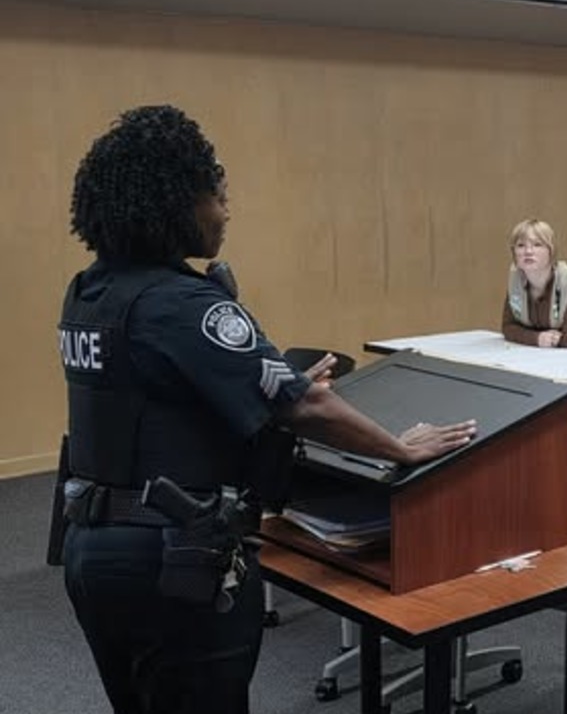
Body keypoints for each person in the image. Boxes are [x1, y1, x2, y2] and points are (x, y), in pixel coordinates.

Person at [58, 105, 476, 714]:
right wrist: (400, 447)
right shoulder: (183, 303)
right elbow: (306, 406)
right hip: (173, 561)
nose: (224, 211)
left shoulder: (91, 293)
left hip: (93, 548)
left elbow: (154, 401)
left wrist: (265, 391)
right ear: (174, 201)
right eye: (215, 194)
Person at [501, 218, 567, 349]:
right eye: (521, 245)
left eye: (537, 245)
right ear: (513, 252)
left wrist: (525, 335)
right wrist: (537, 338)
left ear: (551, 251)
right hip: (536, 356)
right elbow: (508, 327)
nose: (528, 252)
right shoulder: (516, 277)